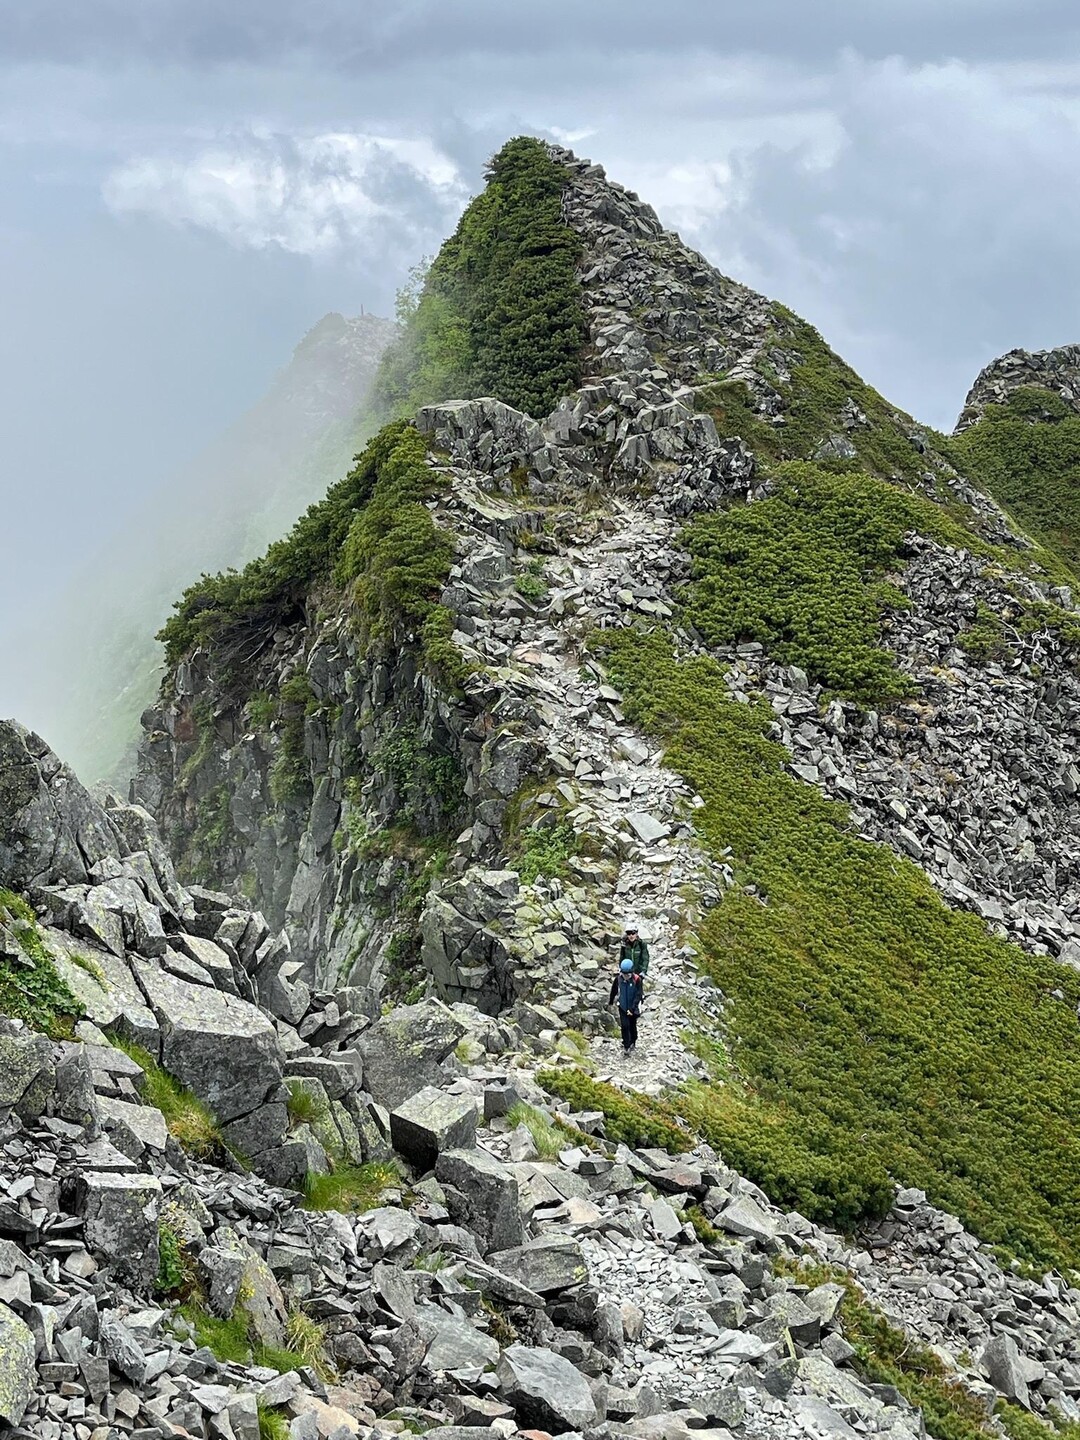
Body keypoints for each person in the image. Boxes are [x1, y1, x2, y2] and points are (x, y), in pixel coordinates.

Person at [609, 956, 644, 1055]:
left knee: (632, 1025)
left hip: (634, 1007)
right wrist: (611, 1001)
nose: (625, 976)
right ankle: (626, 1045)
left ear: (632, 972)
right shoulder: (618, 979)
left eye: (627, 974)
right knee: (625, 1026)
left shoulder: (637, 980)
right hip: (623, 1006)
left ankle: (633, 1040)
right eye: (624, 974)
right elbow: (614, 990)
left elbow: (639, 994)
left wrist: (632, 1008)